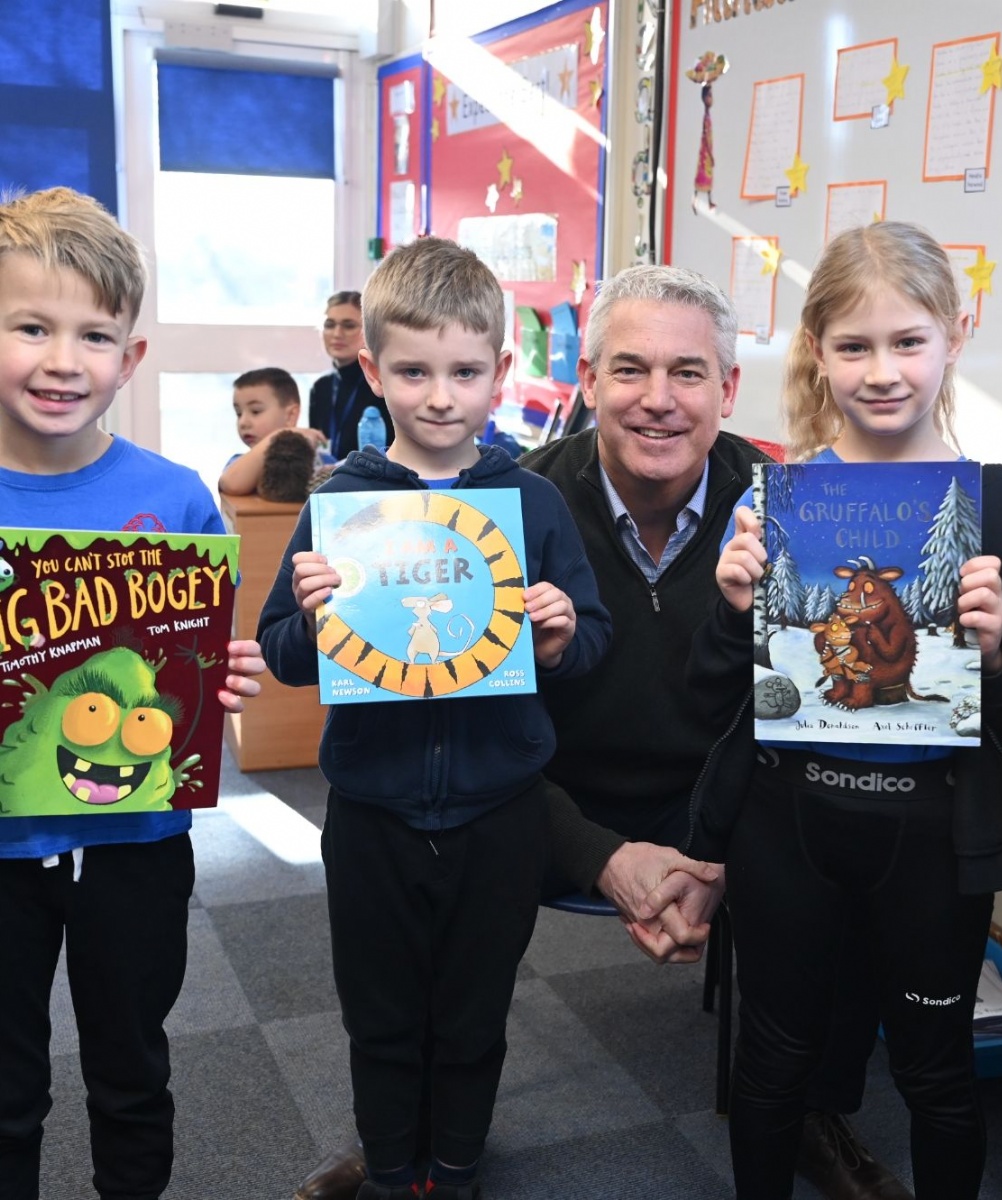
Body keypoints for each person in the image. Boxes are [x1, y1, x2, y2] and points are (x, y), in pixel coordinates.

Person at [293, 263, 907, 1200]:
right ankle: (409, 1142)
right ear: (586, 381)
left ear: (730, 389)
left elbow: (798, 723)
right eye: (629, 370)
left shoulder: (792, 513)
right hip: (538, 807)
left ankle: (811, 1105)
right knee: (426, 900)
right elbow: (471, 741)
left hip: (727, 809)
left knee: (856, 826)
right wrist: (599, 854)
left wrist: (719, 854)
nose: (658, 401)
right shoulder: (494, 513)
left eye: (689, 373)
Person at [699, 221, 1002, 1199]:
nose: (883, 370)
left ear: (956, 333)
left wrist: (995, 654)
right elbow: (709, 687)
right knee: (772, 1062)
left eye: (908, 341)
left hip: (935, 832)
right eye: (854, 345)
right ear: (818, 348)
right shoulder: (777, 501)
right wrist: (736, 613)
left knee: (936, 1068)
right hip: (790, 820)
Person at [258, 236, 611, 1200]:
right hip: (372, 809)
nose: (441, 396)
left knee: (473, 1011)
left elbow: (590, 644)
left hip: (501, 811)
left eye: (464, 371)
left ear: (501, 372)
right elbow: (283, 650)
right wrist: (314, 612)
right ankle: (392, 1165)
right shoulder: (343, 502)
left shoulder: (529, 501)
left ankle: (452, 1168)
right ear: (372, 371)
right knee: (378, 1013)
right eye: (412, 371)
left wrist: (558, 634)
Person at [0, 186, 266, 1200]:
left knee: (132, 1070)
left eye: (94, 335)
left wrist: (226, 678)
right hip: (2, 851)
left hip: (135, 846)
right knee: (7, 1089)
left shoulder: (181, 496)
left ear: (131, 358)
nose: (64, 360)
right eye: (31, 326)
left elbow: (195, 667)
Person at [218, 366, 333, 497]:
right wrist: (279, 435)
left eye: (256, 411)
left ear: (290, 415)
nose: (243, 422)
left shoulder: (323, 460)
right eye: (238, 413)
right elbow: (232, 484)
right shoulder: (238, 462)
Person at [308, 290, 395, 458]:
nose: (337, 334)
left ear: (369, 330)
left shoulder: (381, 383)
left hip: (378, 479)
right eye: (330, 324)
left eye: (348, 325)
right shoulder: (320, 388)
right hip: (330, 479)